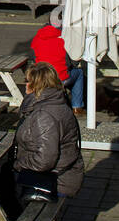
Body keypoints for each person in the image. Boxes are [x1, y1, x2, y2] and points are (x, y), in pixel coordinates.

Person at [12, 62, 84, 204]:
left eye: (27, 81)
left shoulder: (43, 114)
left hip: (55, 180)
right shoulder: (58, 101)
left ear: (35, 85)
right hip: (66, 172)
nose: (24, 85)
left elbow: (44, 160)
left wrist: (18, 163)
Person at [31, 21, 85, 116]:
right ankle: (77, 107)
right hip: (60, 79)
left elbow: (34, 59)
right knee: (79, 73)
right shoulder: (64, 40)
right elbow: (73, 63)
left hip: (40, 78)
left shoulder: (36, 39)